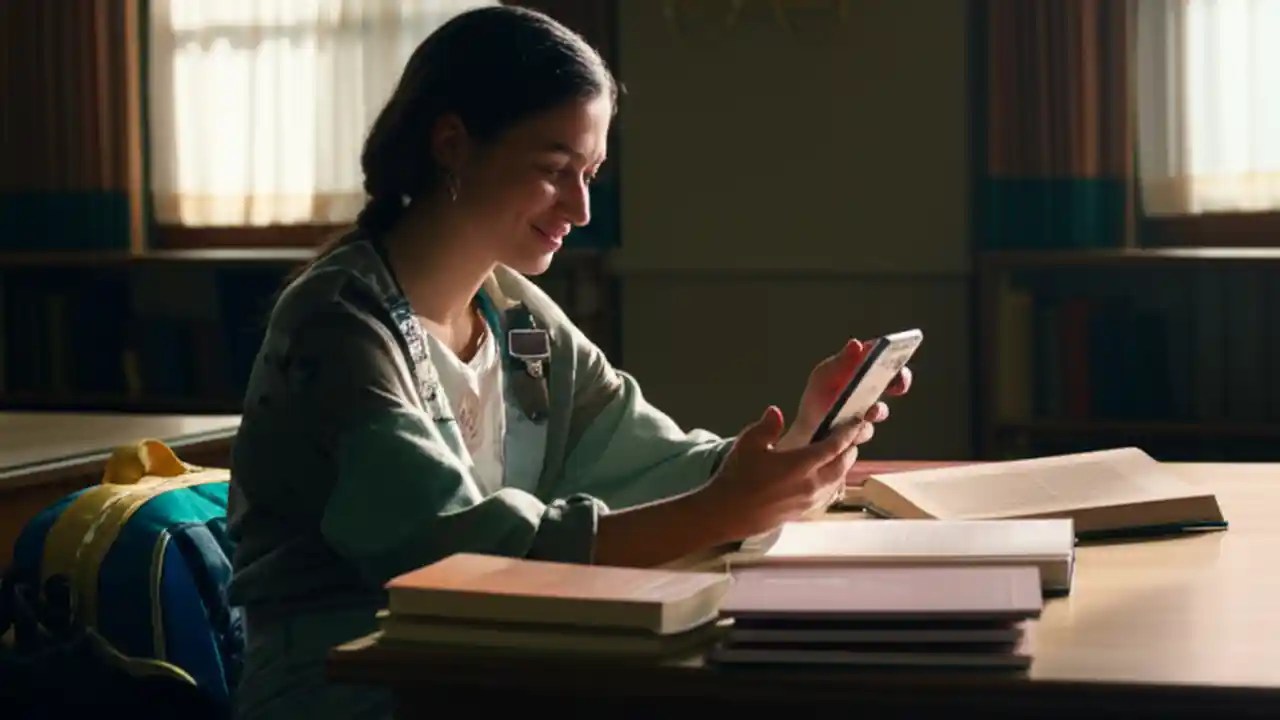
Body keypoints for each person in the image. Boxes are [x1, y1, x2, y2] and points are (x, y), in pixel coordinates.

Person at [225, 5, 912, 719]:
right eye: (555, 169)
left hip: (490, 654)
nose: (580, 208)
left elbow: (645, 458)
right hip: (349, 679)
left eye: (590, 173)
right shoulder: (338, 324)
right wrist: (722, 508)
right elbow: (445, 552)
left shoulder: (513, 313)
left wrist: (796, 443)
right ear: (453, 144)